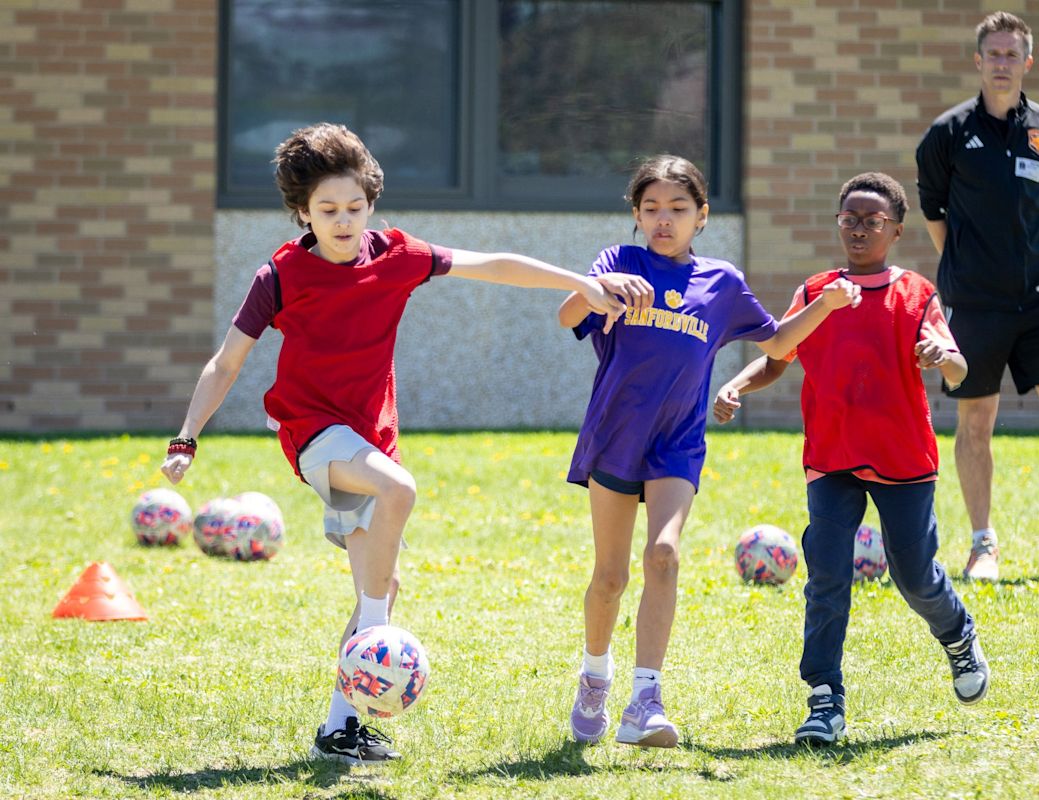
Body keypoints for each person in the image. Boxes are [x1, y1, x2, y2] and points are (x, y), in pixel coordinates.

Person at [159, 123, 624, 765]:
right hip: (310, 432)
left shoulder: (398, 257)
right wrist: (187, 436)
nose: (344, 221)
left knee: (382, 584)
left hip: (370, 438)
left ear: (371, 204)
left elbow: (493, 265)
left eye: (355, 207)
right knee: (397, 491)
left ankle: (339, 728)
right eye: (327, 210)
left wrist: (585, 282)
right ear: (303, 212)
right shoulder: (282, 274)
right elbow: (227, 362)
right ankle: (375, 646)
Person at [558, 154, 862, 749]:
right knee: (610, 577)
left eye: (677, 209)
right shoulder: (617, 263)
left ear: (701, 216)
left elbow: (776, 339)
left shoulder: (720, 282)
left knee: (664, 554)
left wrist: (823, 306)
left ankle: (645, 700)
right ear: (637, 216)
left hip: (678, 443)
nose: (663, 220)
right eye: (651, 209)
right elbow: (565, 315)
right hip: (614, 437)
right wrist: (595, 291)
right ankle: (595, 677)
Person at [713, 172, 989, 745]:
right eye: (850, 219)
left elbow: (960, 368)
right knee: (828, 573)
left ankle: (958, 633)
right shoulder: (817, 291)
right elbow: (778, 354)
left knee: (914, 576)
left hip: (902, 455)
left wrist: (942, 356)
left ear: (896, 229)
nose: (859, 230)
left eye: (872, 221)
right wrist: (737, 383)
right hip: (833, 455)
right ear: (838, 223)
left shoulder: (915, 294)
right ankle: (823, 698)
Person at [915, 11, 1039, 582]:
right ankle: (982, 545)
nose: (1002, 64)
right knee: (976, 420)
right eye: (993, 54)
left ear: (1028, 62)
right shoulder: (948, 134)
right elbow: (934, 211)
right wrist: (967, 265)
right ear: (978, 62)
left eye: (1012, 55)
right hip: (974, 303)